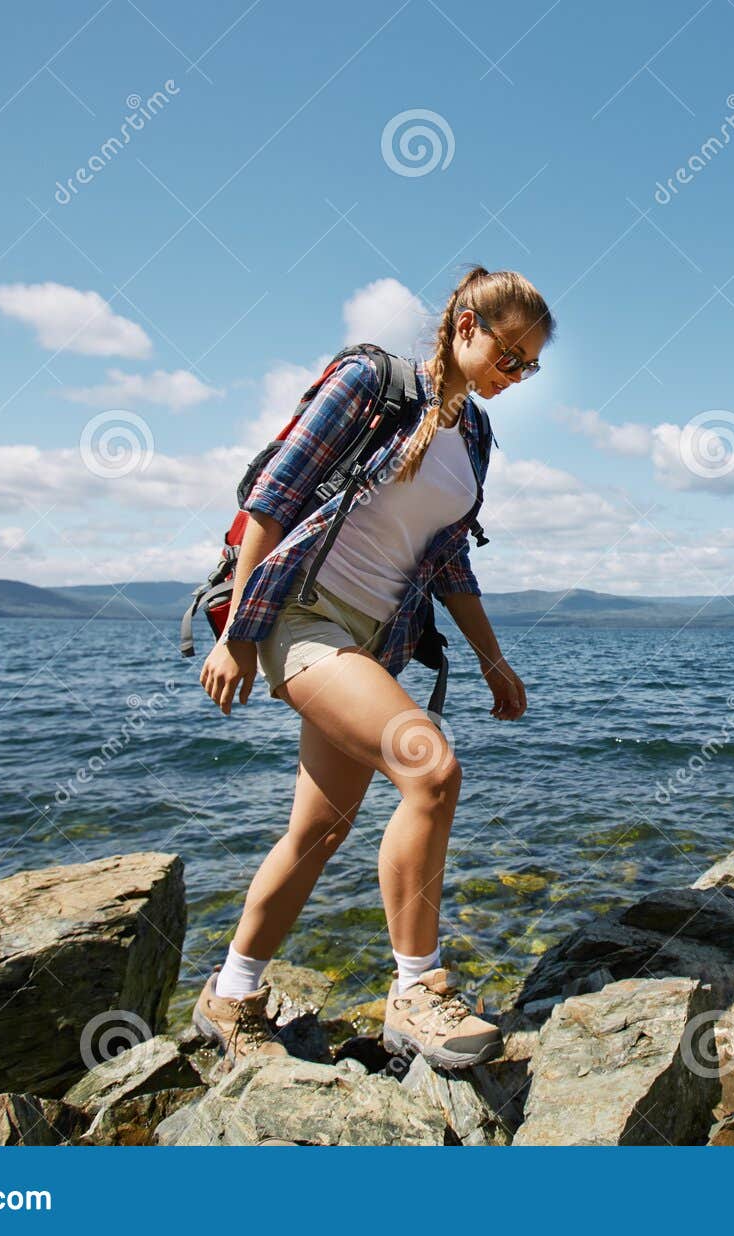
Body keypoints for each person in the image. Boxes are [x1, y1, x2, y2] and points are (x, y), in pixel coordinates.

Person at [194, 265, 554, 1072]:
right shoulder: (372, 382)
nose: (517, 374)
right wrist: (240, 632)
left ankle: (231, 993)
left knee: (318, 830)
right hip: (301, 616)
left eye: (531, 367)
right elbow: (272, 498)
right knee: (430, 771)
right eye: (511, 353)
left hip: (373, 642)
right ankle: (416, 992)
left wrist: (494, 659)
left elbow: (450, 564)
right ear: (466, 326)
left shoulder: (477, 439)